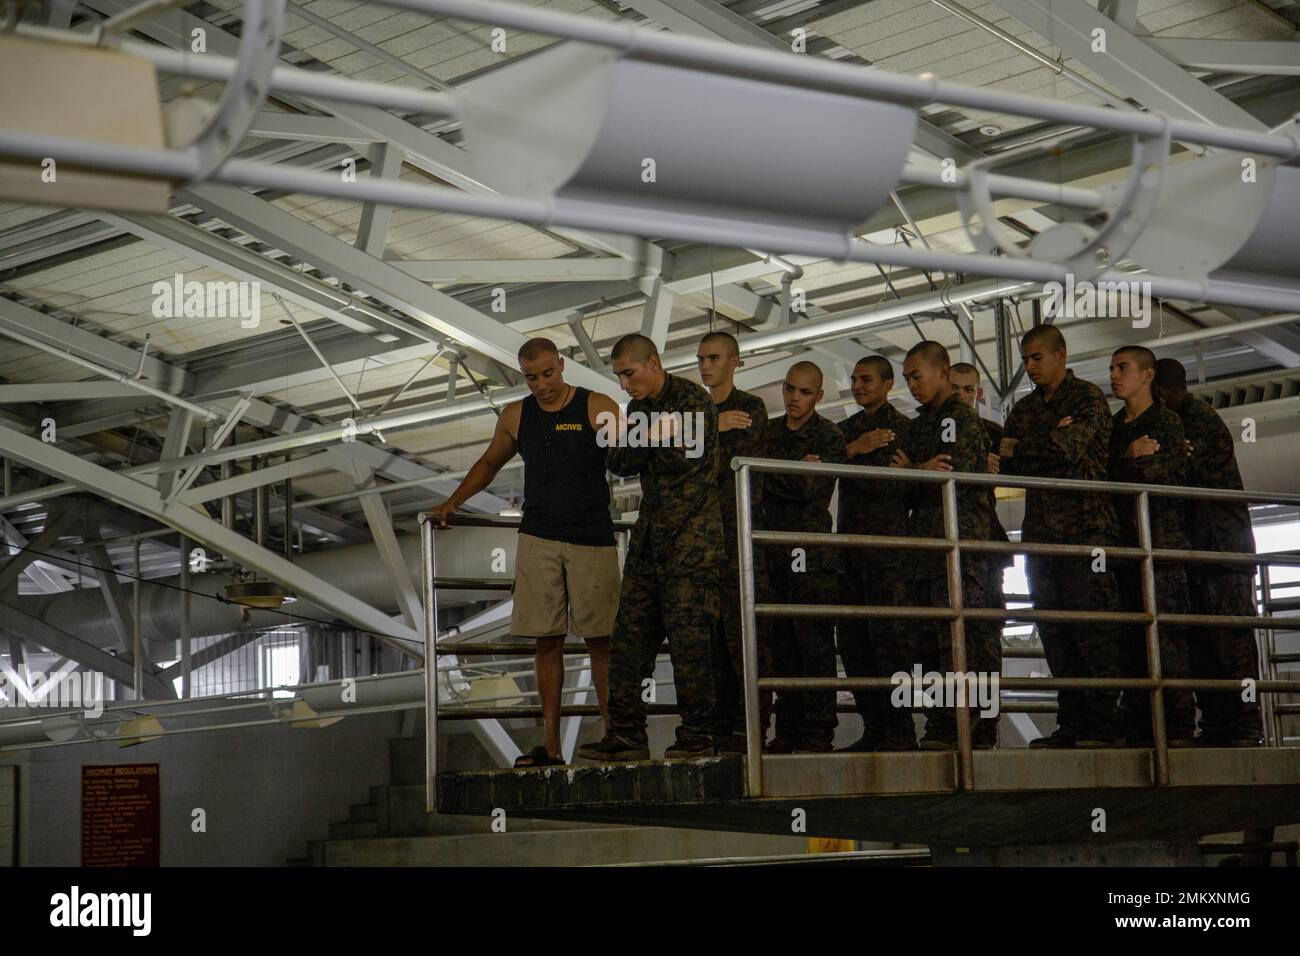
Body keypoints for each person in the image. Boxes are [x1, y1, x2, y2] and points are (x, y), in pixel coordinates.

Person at [430, 338, 621, 767]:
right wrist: (452, 502)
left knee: (601, 642)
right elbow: (488, 463)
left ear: (562, 366)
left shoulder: (597, 406)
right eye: (532, 377)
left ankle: (616, 736)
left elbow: (635, 453)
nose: (541, 384)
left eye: (548, 374)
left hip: (592, 537)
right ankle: (551, 747)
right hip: (538, 537)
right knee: (546, 640)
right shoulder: (516, 415)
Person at [577, 334, 723, 761]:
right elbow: (619, 462)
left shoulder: (693, 399)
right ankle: (625, 734)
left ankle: (698, 734)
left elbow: (684, 458)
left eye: (629, 373)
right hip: (650, 541)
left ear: (653, 363)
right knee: (629, 638)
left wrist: (644, 440)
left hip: (691, 542)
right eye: (618, 376)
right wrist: (651, 435)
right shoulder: (641, 409)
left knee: (690, 643)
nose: (623, 385)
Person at [999, 326, 1124, 749]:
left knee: (1093, 631)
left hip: (1086, 530)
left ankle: (1105, 724)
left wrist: (1024, 447)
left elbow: (1064, 450)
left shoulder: (1086, 398)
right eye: (1026, 360)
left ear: (1061, 354)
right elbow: (1008, 463)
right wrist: (1037, 444)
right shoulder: (1025, 408)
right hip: (1041, 535)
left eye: (1037, 358)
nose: (1030, 367)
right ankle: (1073, 723)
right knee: (1055, 632)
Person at [891, 342, 996, 749]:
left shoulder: (961, 420)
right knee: (931, 641)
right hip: (927, 549)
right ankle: (942, 723)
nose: (912, 385)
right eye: (907, 378)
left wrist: (914, 471)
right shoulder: (919, 425)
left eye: (917, 376)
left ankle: (974, 727)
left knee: (964, 640)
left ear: (941, 372)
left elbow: (953, 472)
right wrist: (919, 471)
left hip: (961, 544)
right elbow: (905, 486)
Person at [1154, 358, 1263, 746]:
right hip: (1200, 552)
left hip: (1222, 553)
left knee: (1231, 643)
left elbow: (1181, 467)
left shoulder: (1199, 420)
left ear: (1161, 392)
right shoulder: (1187, 419)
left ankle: (1246, 725)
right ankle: (1218, 724)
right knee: (1203, 643)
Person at [1107, 346, 1196, 746]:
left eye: (1123, 368)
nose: (1114, 375)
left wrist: (1124, 463)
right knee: (1129, 640)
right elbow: (1102, 476)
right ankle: (1139, 724)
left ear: (1147, 375)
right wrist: (1128, 456)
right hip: (1123, 547)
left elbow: (1161, 476)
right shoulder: (1114, 429)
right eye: (1111, 368)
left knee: (1167, 639)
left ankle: (1176, 727)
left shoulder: (1166, 422)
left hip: (1160, 546)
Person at [762, 361, 845, 753]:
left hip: (810, 553)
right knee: (781, 645)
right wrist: (792, 472)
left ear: (819, 396)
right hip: (772, 551)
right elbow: (752, 482)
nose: (795, 398)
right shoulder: (768, 433)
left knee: (814, 644)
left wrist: (775, 475)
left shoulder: (828, 436)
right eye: (790, 389)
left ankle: (817, 731)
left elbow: (811, 488)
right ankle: (788, 728)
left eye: (804, 392)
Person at [836, 356, 917, 751]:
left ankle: (900, 732)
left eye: (866, 379)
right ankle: (874, 728)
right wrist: (853, 449)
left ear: (887, 385)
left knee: (891, 644)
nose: (857, 386)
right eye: (853, 379)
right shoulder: (843, 432)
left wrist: (911, 470)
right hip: (850, 552)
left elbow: (913, 488)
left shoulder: (905, 429)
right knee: (853, 644)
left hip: (889, 552)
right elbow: (815, 466)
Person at [696, 331, 769, 753]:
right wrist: (711, 426)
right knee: (707, 646)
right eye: (701, 358)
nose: (706, 365)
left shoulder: (750, 408)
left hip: (736, 539)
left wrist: (700, 436)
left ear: (735, 362)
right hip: (700, 544)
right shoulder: (694, 412)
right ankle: (718, 730)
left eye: (714, 357)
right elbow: (676, 463)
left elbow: (730, 467)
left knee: (744, 640)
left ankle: (750, 729)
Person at [949, 362, 1013, 749]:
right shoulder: (931, 430)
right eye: (954, 388)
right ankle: (952, 726)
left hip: (984, 547)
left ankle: (984, 729)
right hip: (945, 545)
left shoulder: (992, 434)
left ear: (978, 393)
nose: (961, 396)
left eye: (967, 389)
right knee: (946, 642)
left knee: (985, 644)